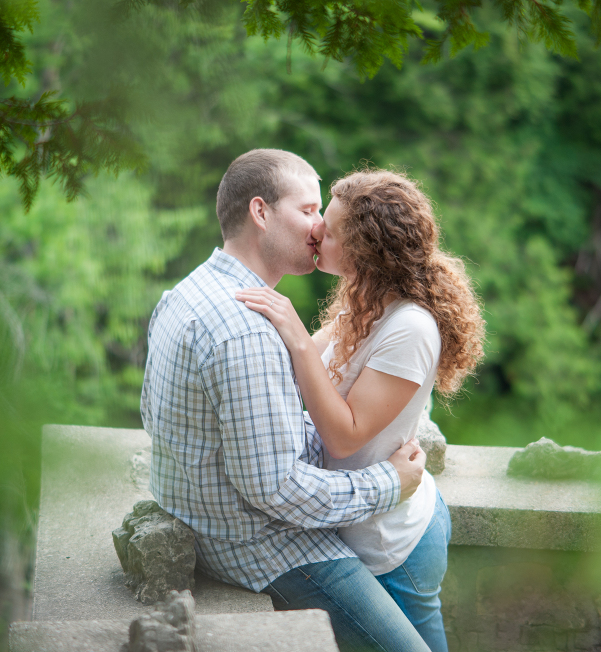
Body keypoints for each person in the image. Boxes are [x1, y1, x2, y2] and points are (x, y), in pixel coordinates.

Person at [140, 149, 432, 652]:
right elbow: (275, 490)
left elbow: (151, 414)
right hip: (265, 545)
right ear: (260, 212)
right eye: (307, 210)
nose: (319, 227)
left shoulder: (186, 292)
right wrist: (390, 482)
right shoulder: (244, 331)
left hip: (212, 521)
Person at [236, 169, 486, 652]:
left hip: (393, 545)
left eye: (327, 229)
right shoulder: (364, 303)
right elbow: (299, 376)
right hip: (360, 523)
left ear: (364, 248)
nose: (316, 233)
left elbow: (345, 435)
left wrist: (293, 332)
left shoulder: (410, 327)